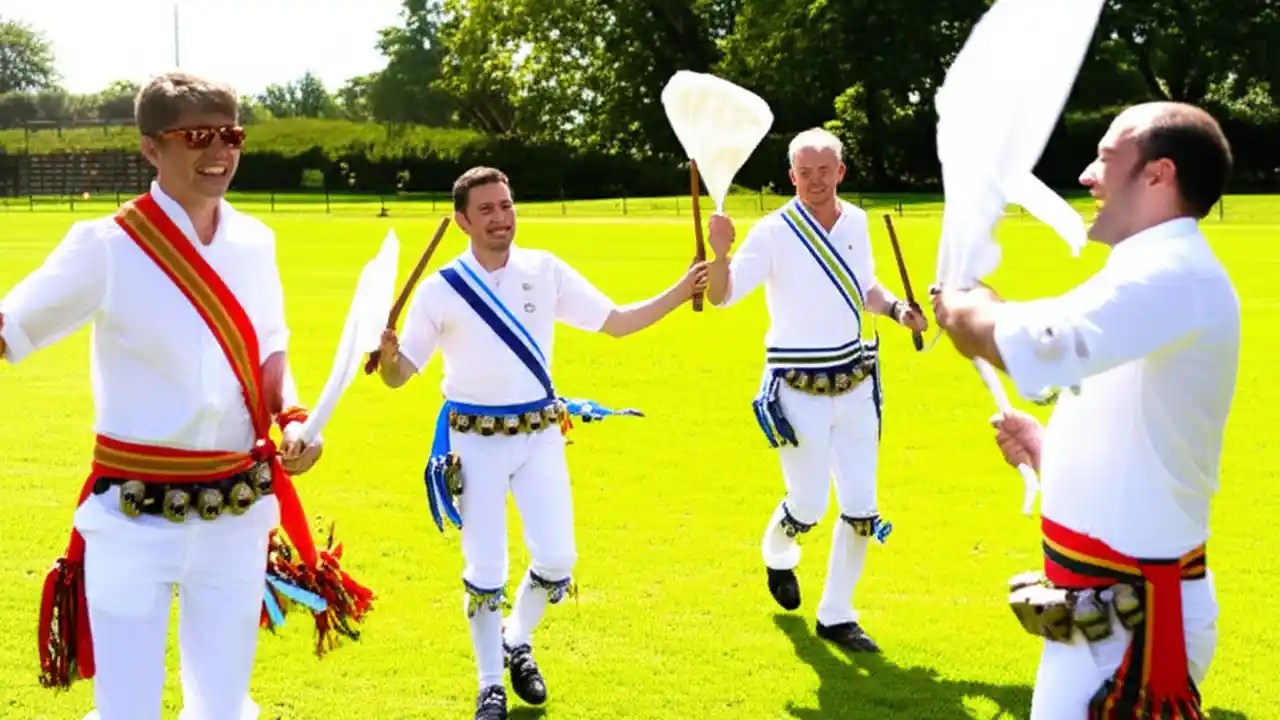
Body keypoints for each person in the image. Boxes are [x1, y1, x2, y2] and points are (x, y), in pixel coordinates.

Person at [0, 71, 370, 720]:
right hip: (132, 517)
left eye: (231, 134)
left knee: (223, 707)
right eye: (197, 136)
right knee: (127, 710)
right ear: (151, 149)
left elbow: (270, 348)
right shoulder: (105, 246)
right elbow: (10, 331)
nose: (219, 152)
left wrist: (293, 417)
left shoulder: (256, 241)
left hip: (237, 510)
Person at [931, 101, 1238, 719]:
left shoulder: (1171, 273)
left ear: (1158, 175)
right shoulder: (1150, 270)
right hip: (1110, 612)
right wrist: (1049, 452)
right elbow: (1127, 421)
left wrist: (966, 310)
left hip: (1130, 623)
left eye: (1106, 158)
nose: (1087, 176)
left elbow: (1043, 346)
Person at [374, 165, 709, 719]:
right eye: (487, 210)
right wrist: (386, 356)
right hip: (473, 441)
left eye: (506, 205)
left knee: (557, 557)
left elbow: (617, 323)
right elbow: (398, 374)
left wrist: (682, 290)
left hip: (541, 436)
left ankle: (516, 639)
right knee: (485, 568)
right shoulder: (441, 289)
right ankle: (489, 685)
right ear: (462, 221)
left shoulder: (544, 270)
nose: (501, 218)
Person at [703, 128, 928, 653]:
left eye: (824, 170)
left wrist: (898, 311)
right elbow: (722, 295)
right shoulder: (772, 231)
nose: (815, 180)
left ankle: (838, 615)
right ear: (791, 176)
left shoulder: (858, 221)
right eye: (805, 172)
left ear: (841, 172)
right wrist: (718, 253)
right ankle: (779, 554)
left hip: (856, 383)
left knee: (861, 506)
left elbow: (864, 288)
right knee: (808, 506)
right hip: (797, 388)